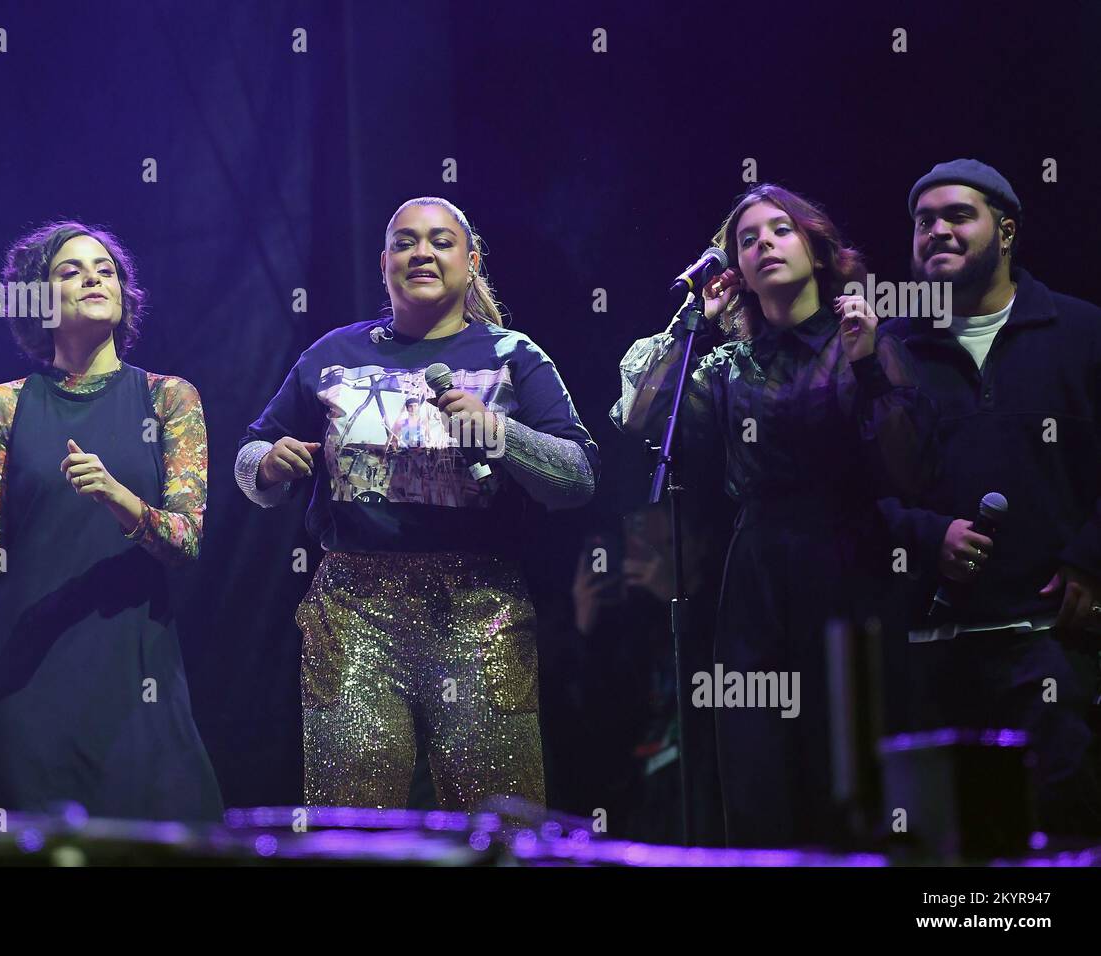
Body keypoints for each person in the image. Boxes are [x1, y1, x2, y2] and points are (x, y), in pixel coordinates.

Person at [236, 196, 598, 810]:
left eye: (440, 241)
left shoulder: (513, 355)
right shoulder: (332, 356)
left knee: (498, 815)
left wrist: (499, 433)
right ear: (384, 264)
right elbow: (251, 453)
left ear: (471, 261)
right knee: (352, 813)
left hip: (481, 605)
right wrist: (267, 466)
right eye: (404, 243)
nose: (421, 253)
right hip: (354, 609)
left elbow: (580, 477)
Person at [610, 184, 935, 848]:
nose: (763, 244)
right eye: (747, 240)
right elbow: (641, 417)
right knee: (759, 777)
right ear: (737, 272)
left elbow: (912, 470)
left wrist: (869, 362)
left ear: (816, 250)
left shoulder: (866, 337)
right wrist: (691, 320)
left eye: (779, 230)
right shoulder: (727, 364)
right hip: (756, 572)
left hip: (851, 562)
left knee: (848, 764)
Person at [0, 221, 222, 822]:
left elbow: (187, 541)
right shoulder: (0, 406)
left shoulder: (168, 398)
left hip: (135, 678)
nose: (94, 278)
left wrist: (117, 497)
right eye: (71, 270)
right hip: (25, 681)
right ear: (38, 299)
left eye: (105, 269)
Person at [880, 159, 1101, 836]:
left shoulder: (1081, 331)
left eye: (957, 216)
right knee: (940, 853)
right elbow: (855, 492)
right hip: (931, 656)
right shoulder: (890, 351)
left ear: (1005, 232)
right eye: (923, 222)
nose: (937, 231)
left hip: (1055, 650)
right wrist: (923, 535)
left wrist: (1092, 559)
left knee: (1065, 836)